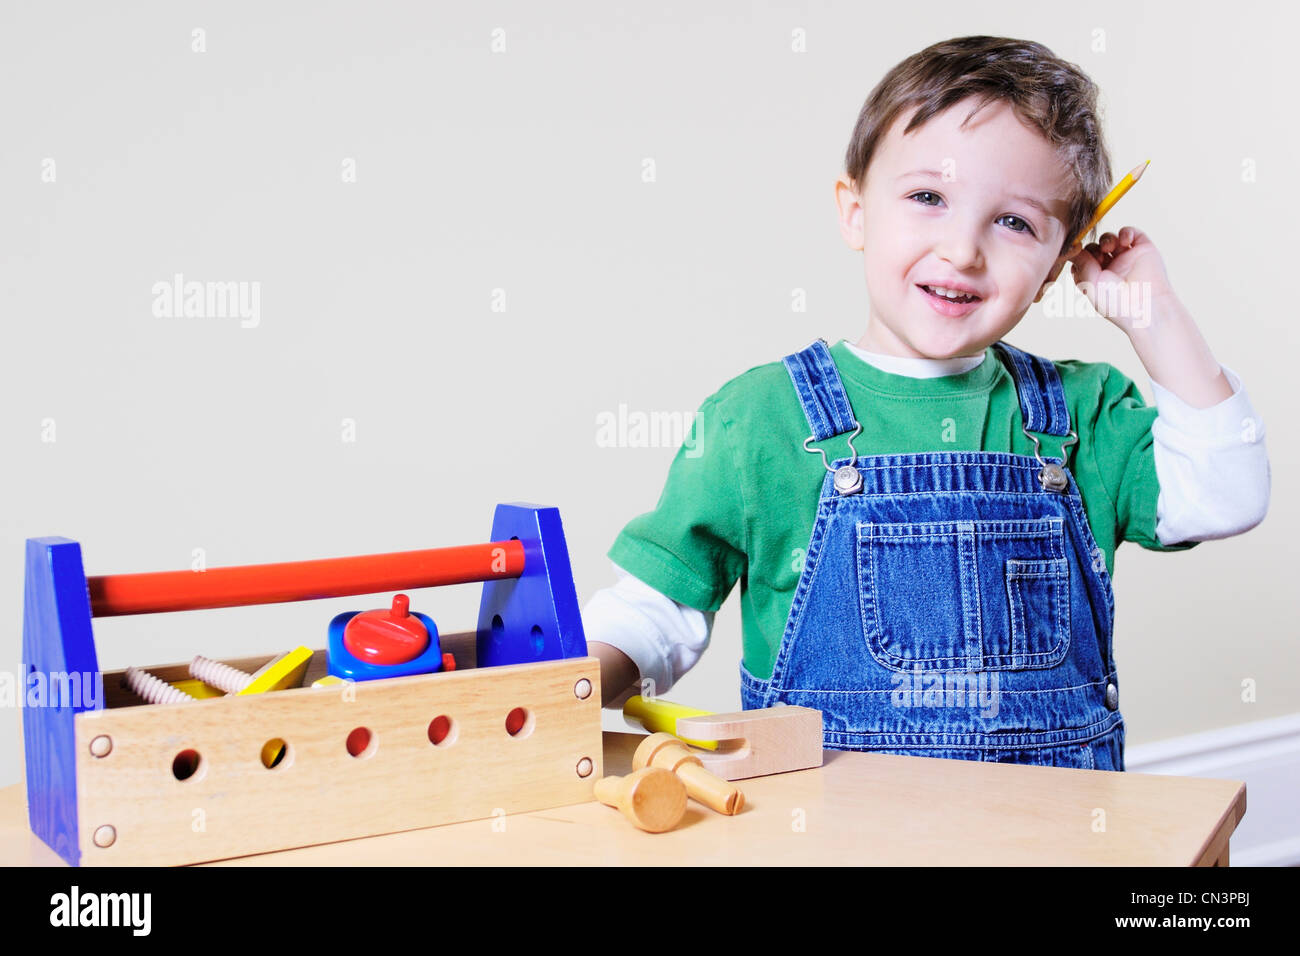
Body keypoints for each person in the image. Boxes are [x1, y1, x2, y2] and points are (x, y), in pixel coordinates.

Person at [582, 35, 1270, 769]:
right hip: (831, 822)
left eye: (1014, 222)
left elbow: (1227, 495)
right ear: (855, 212)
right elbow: (657, 610)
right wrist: (566, 694)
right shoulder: (757, 418)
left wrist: (1153, 315)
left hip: (1055, 824)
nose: (963, 250)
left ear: (1055, 265)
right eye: (928, 198)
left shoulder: (1083, 414)